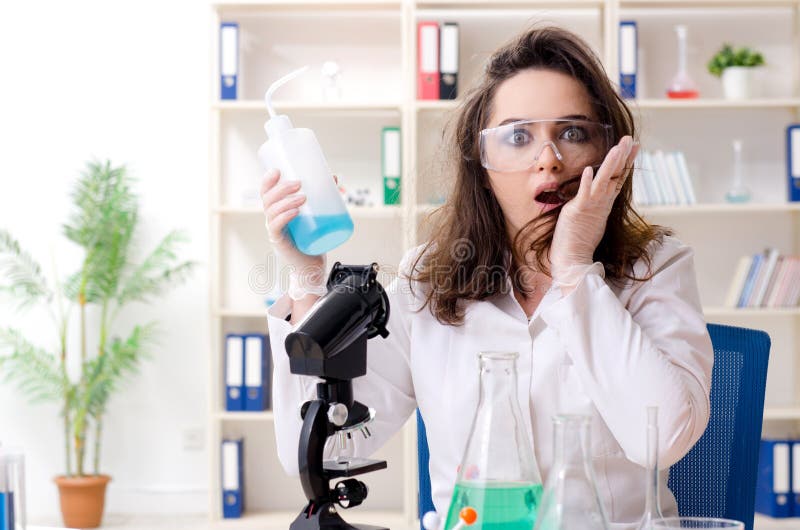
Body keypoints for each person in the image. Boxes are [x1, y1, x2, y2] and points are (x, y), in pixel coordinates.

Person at [260, 25, 713, 524]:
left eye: (573, 132)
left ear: (609, 155)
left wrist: (574, 271)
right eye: (518, 136)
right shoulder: (427, 280)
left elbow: (666, 440)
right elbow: (324, 454)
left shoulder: (656, 266)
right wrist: (306, 277)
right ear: (482, 164)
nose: (549, 161)